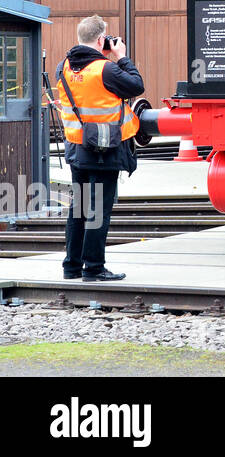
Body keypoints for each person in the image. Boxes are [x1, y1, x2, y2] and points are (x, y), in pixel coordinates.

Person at [57, 15, 143, 282]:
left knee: (79, 208)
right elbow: (137, 86)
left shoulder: (65, 67)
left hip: (76, 148)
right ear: (100, 39)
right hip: (105, 149)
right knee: (98, 211)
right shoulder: (105, 69)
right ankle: (93, 267)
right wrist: (122, 57)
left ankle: (72, 266)